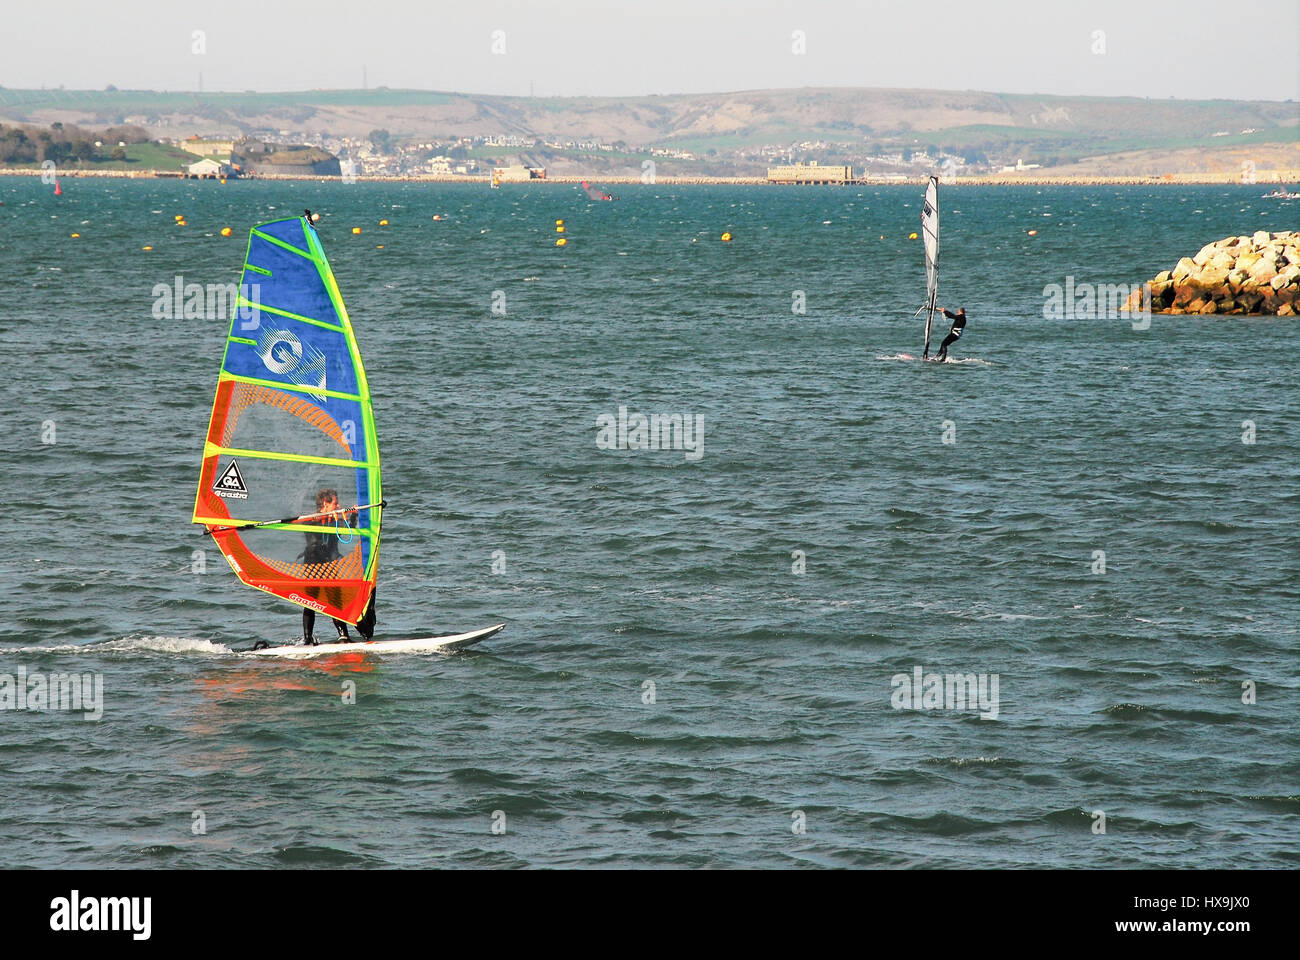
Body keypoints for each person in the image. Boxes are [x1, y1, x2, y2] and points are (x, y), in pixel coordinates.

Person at [298, 488, 375, 645]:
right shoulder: (311, 519)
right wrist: (324, 518)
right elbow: (302, 522)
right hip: (312, 565)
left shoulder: (336, 520)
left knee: (335, 601)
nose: (338, 505)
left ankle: (343, 636)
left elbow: (350, 529)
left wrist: (352, 515)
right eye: (335, 502)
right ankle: (307, 638)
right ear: (325, 503)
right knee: (309, 602)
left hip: (330, 565)